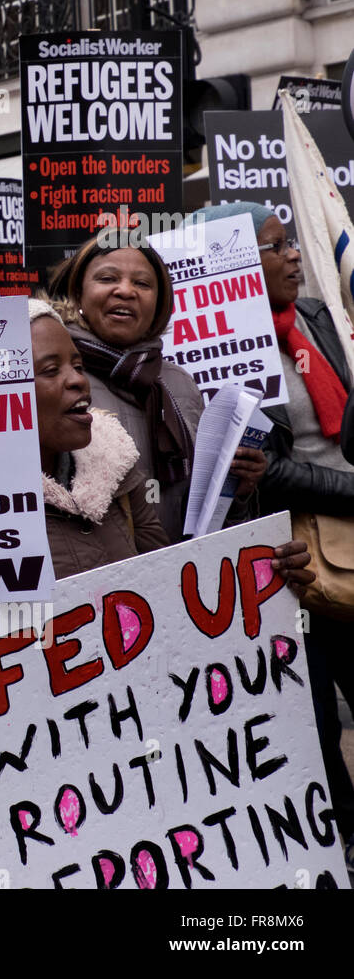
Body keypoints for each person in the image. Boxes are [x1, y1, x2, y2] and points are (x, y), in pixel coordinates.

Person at [0, 299, 312, 884]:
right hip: (9, 794)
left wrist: (261, 580)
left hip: (131, 763)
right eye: (49, 370)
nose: (77, 379)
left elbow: (171, 594)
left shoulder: (118, 469)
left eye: (75, 363)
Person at [47, 221, 266, 536]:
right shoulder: (54, 383)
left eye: (143, 283)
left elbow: (205, 510)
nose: (125, 290)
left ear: (159, 304)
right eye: (107, 278)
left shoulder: (180, 385)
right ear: (78, 294)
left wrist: (238, 489)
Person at [251, 205, 354, 876]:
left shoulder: (318, 317)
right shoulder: (227, 349)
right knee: (313, 719)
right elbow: (263, 472)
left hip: (351, 543)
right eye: (276, 246)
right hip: (294, 564)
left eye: (292, 241)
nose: (293, 255)